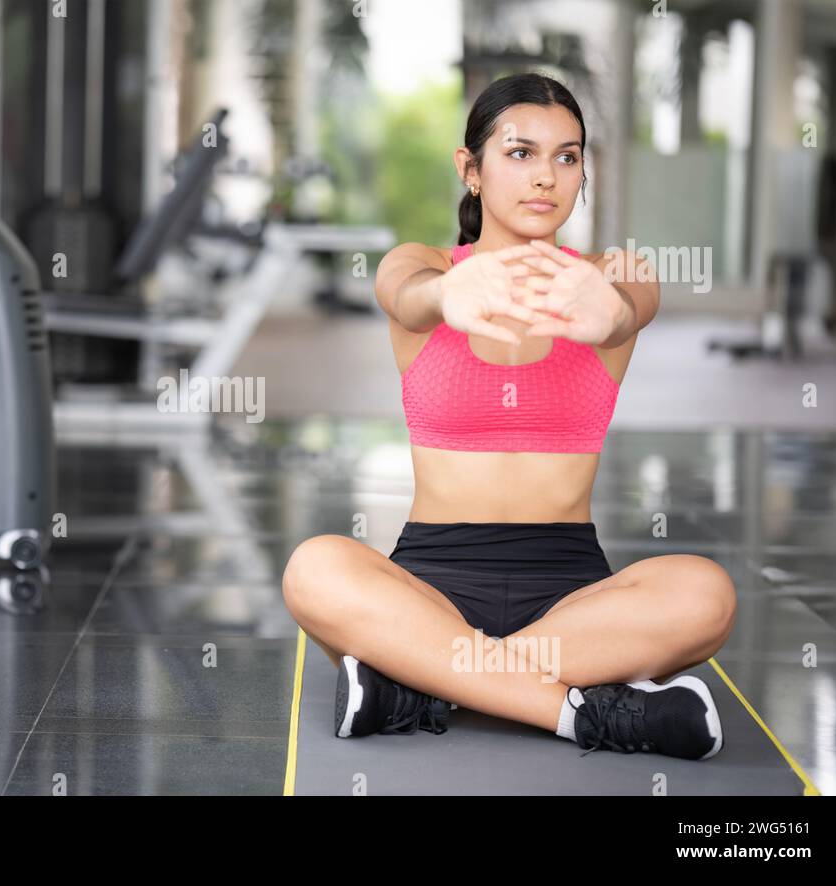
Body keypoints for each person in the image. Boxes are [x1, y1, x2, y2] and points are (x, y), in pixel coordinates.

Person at [281, 72, 735, 761]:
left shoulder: (608, 273)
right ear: (471, 169)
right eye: (520, 153)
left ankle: (423, 684)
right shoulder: (427, 266)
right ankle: (586, 715)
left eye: (567, 155)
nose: (545, 176)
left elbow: (631, 303)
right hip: (429, 586)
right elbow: (403, 294)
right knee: (313, 568)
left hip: (570, 599)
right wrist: (445, 296)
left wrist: (610, 310)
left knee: (708, 595)